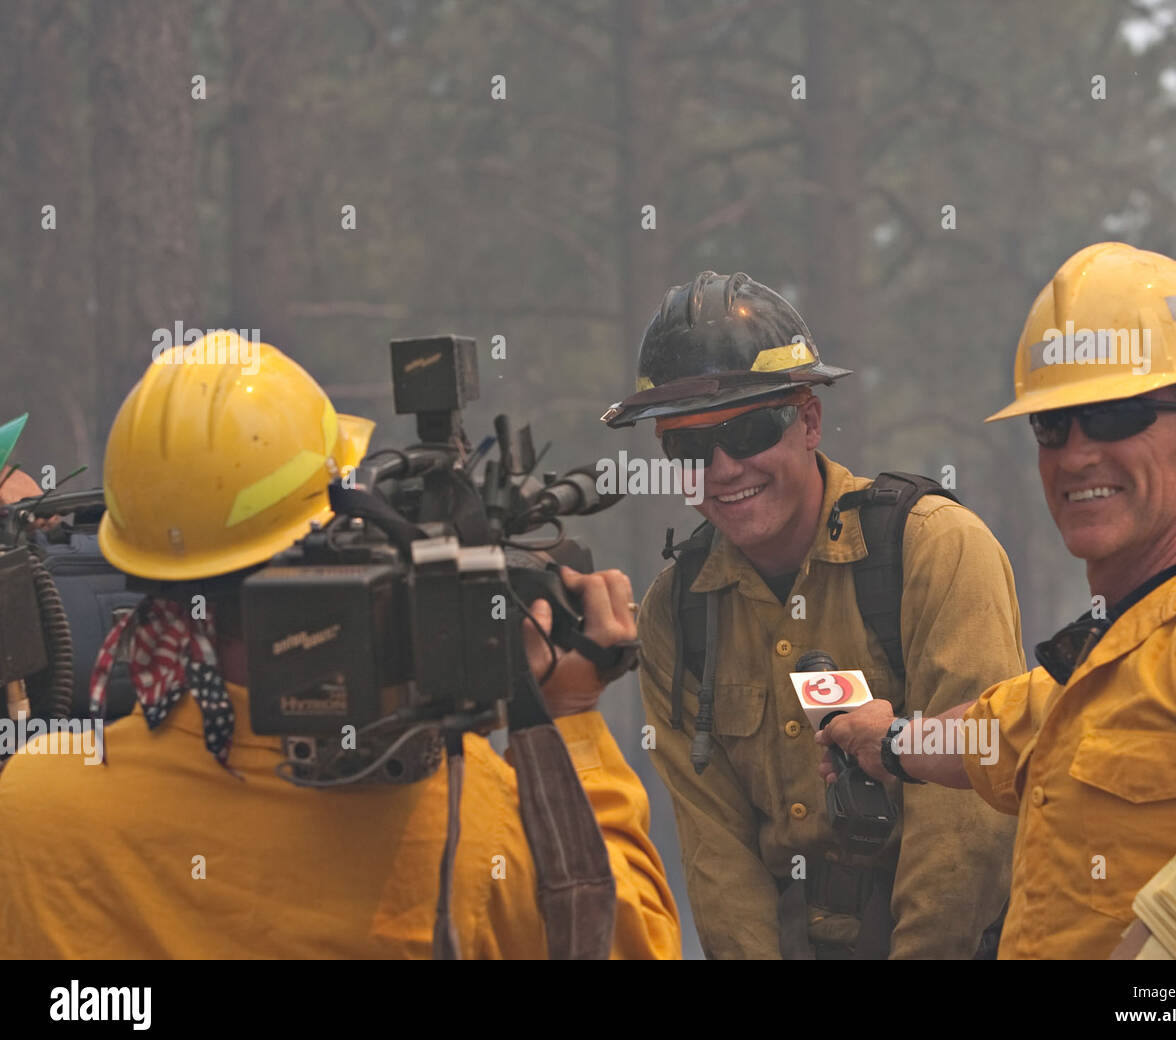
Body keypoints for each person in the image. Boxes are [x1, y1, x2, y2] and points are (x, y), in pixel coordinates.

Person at [0, 331, 680, 960]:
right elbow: (632, 942)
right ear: (345, 538)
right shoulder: (467, 824)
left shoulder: (29, 816)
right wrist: (573, 718)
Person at [819, 242, 1176, 959]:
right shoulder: (1105, 662)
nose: (1076, 455)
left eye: (1115, 416)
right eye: (1054, 425)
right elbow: (988, 738)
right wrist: (880, 741)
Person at [603, 271, 1024, 959]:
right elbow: (717, 853)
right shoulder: (675, 615)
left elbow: (966, 815)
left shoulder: (933, 550)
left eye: (747, 429)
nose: (723, 467)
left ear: (808, 420)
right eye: (688, 448)